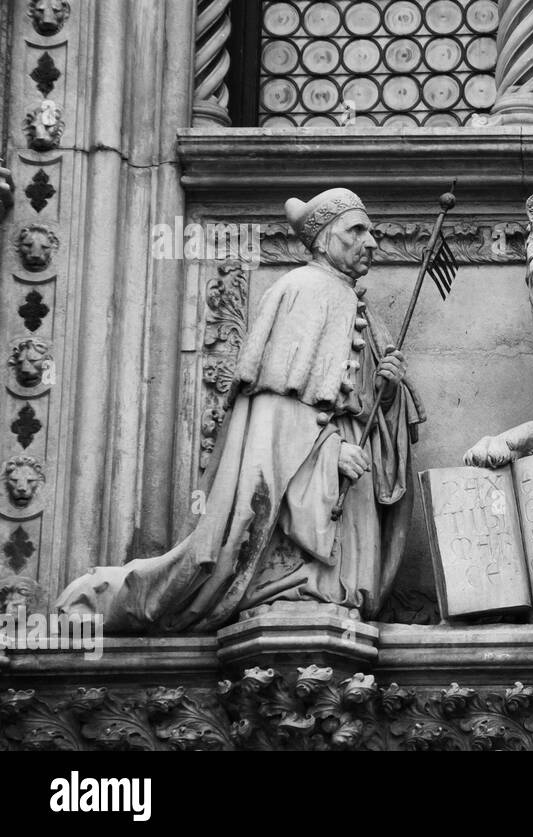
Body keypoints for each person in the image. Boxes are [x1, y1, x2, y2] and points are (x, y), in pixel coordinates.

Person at [57, 188, 425, 632]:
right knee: (289, 588)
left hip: (350, 471)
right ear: (326, 237)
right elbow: (273, 417)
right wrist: (329, 455)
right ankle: (283, 589)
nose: (371, 243)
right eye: (358, 230)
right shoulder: (302, 291)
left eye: (374, 232)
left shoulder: (358, 304)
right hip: (317, 466)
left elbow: (367, 408)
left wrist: (386, 391)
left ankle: (332, 595)